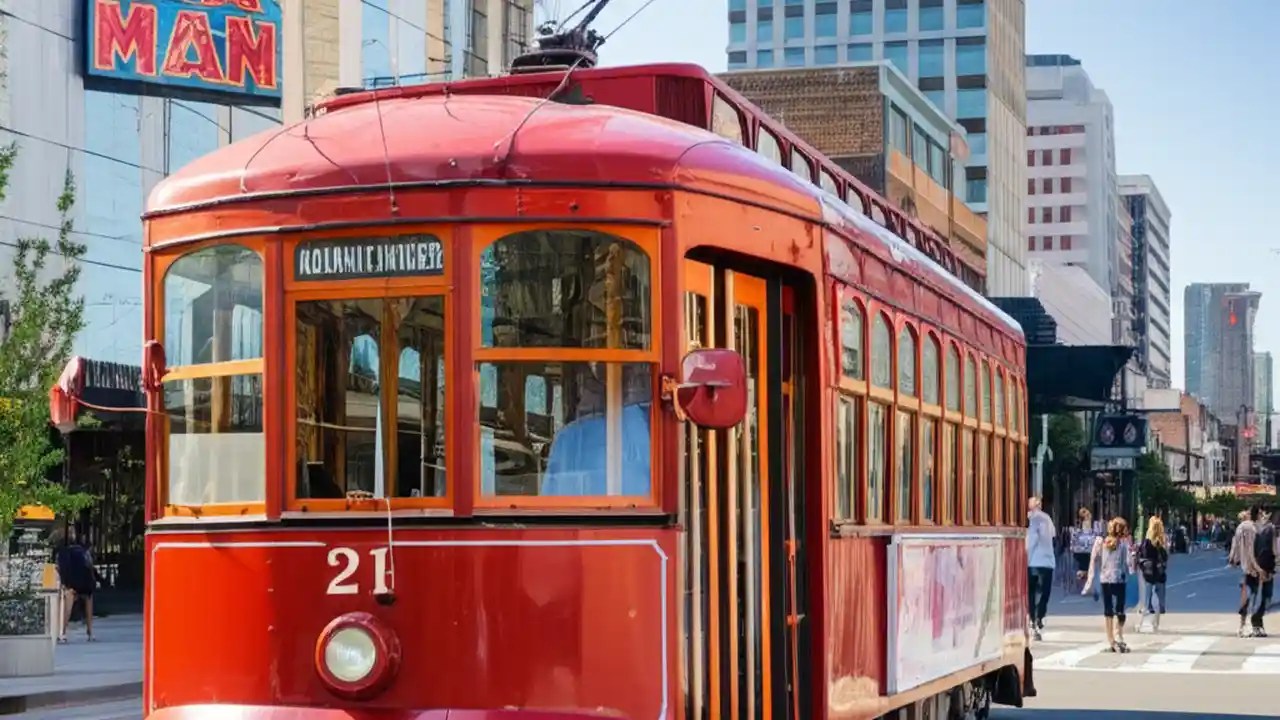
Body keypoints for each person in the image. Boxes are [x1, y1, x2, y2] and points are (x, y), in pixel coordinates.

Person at [1082, 517, 1135, 653]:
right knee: (1120, 610)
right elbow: (1129, 563)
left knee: (1108, 610)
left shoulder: (1100, 542)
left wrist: (1089, 580)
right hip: (1119, 579)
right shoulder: (1124, 544)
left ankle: (1111, 639)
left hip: (1105, 580)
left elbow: (1093, 561)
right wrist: (1132, 566)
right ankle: (1119, 635)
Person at [55, 526, 98, 643]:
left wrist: (64, 583)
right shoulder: (83, 550)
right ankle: (90, 632)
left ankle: (63, 633)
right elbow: (90, 566)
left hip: (71, 583)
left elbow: (59, 568)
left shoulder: (62, 550)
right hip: (85, 582)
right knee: (89, 601)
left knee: (67, 606)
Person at [1025, 496, 1056, 640]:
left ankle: (1032, 619)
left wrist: (1026, 558)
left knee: (1031, 593)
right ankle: (1040, 615)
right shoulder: (1047, 518)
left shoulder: (1031, 519)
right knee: (1045, 592)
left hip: (1033, 562)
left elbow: (1031, 542)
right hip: (1047, 562)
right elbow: (1053, 535)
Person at [1137, 516, 1169, 632]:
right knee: (1160, 593)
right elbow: (1165, 556)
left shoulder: (1147, 541)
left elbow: (1142, 554)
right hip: (1159, 571)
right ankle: (1159, 614)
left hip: (1148, 571)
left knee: (1147, 594)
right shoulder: (1162, 540)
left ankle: (1145, 612)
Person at [1068, 507, 1098, 599]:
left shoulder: (1092, 531)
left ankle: (1085, 586)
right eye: (1087, 518)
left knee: (1087, 568)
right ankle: (1084, 586)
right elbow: (1073, 544)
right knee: (1085, 568)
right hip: (1082, 553)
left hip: (1086, 552)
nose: (1089, 520)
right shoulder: (1077, 531)